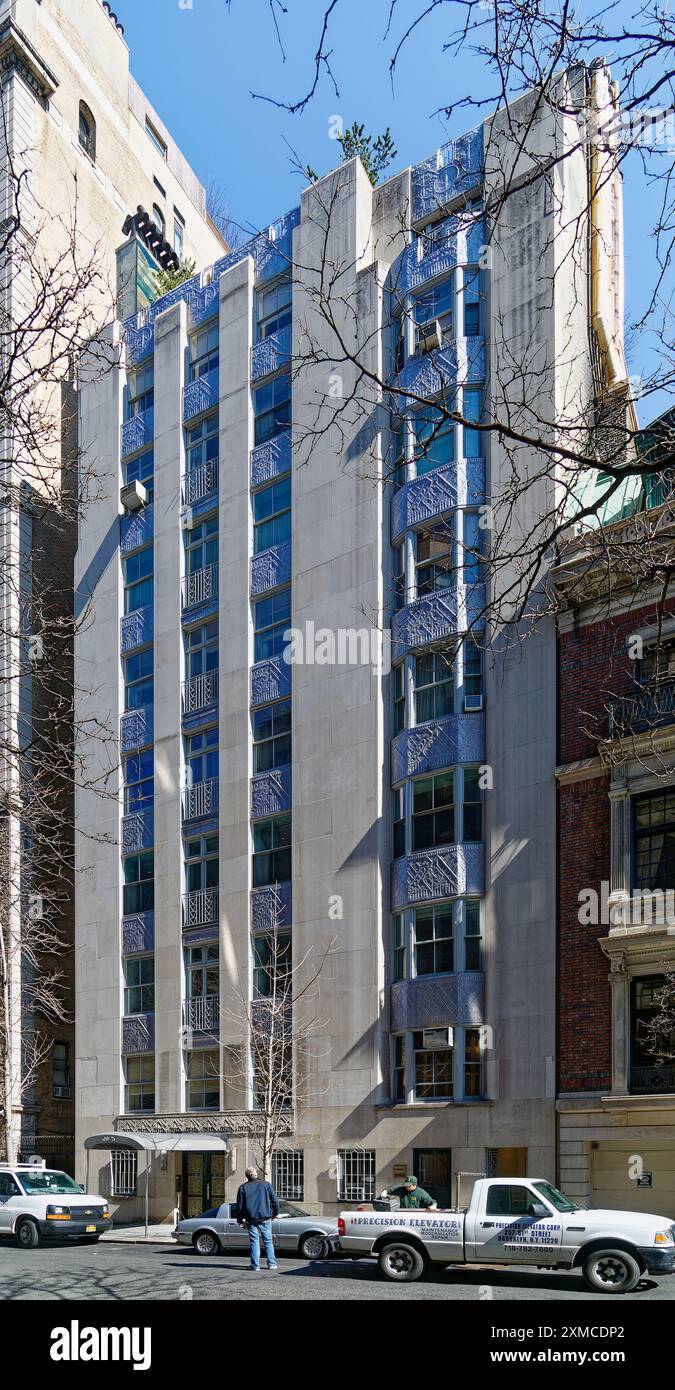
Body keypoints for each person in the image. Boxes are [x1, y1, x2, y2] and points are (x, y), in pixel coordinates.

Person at [235, 1165, 280, 1271]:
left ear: (247, 1176)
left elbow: (240, 1206)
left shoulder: (243, 1187)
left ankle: (255, 1265)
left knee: (254, 1242)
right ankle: (272, 1264)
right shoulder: (266, 1185)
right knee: (268, 1241)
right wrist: (275, 1213)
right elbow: (275, 1201)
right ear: (256, 1174)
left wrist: (240, 1220)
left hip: (251, 1219)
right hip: (265, 1218)